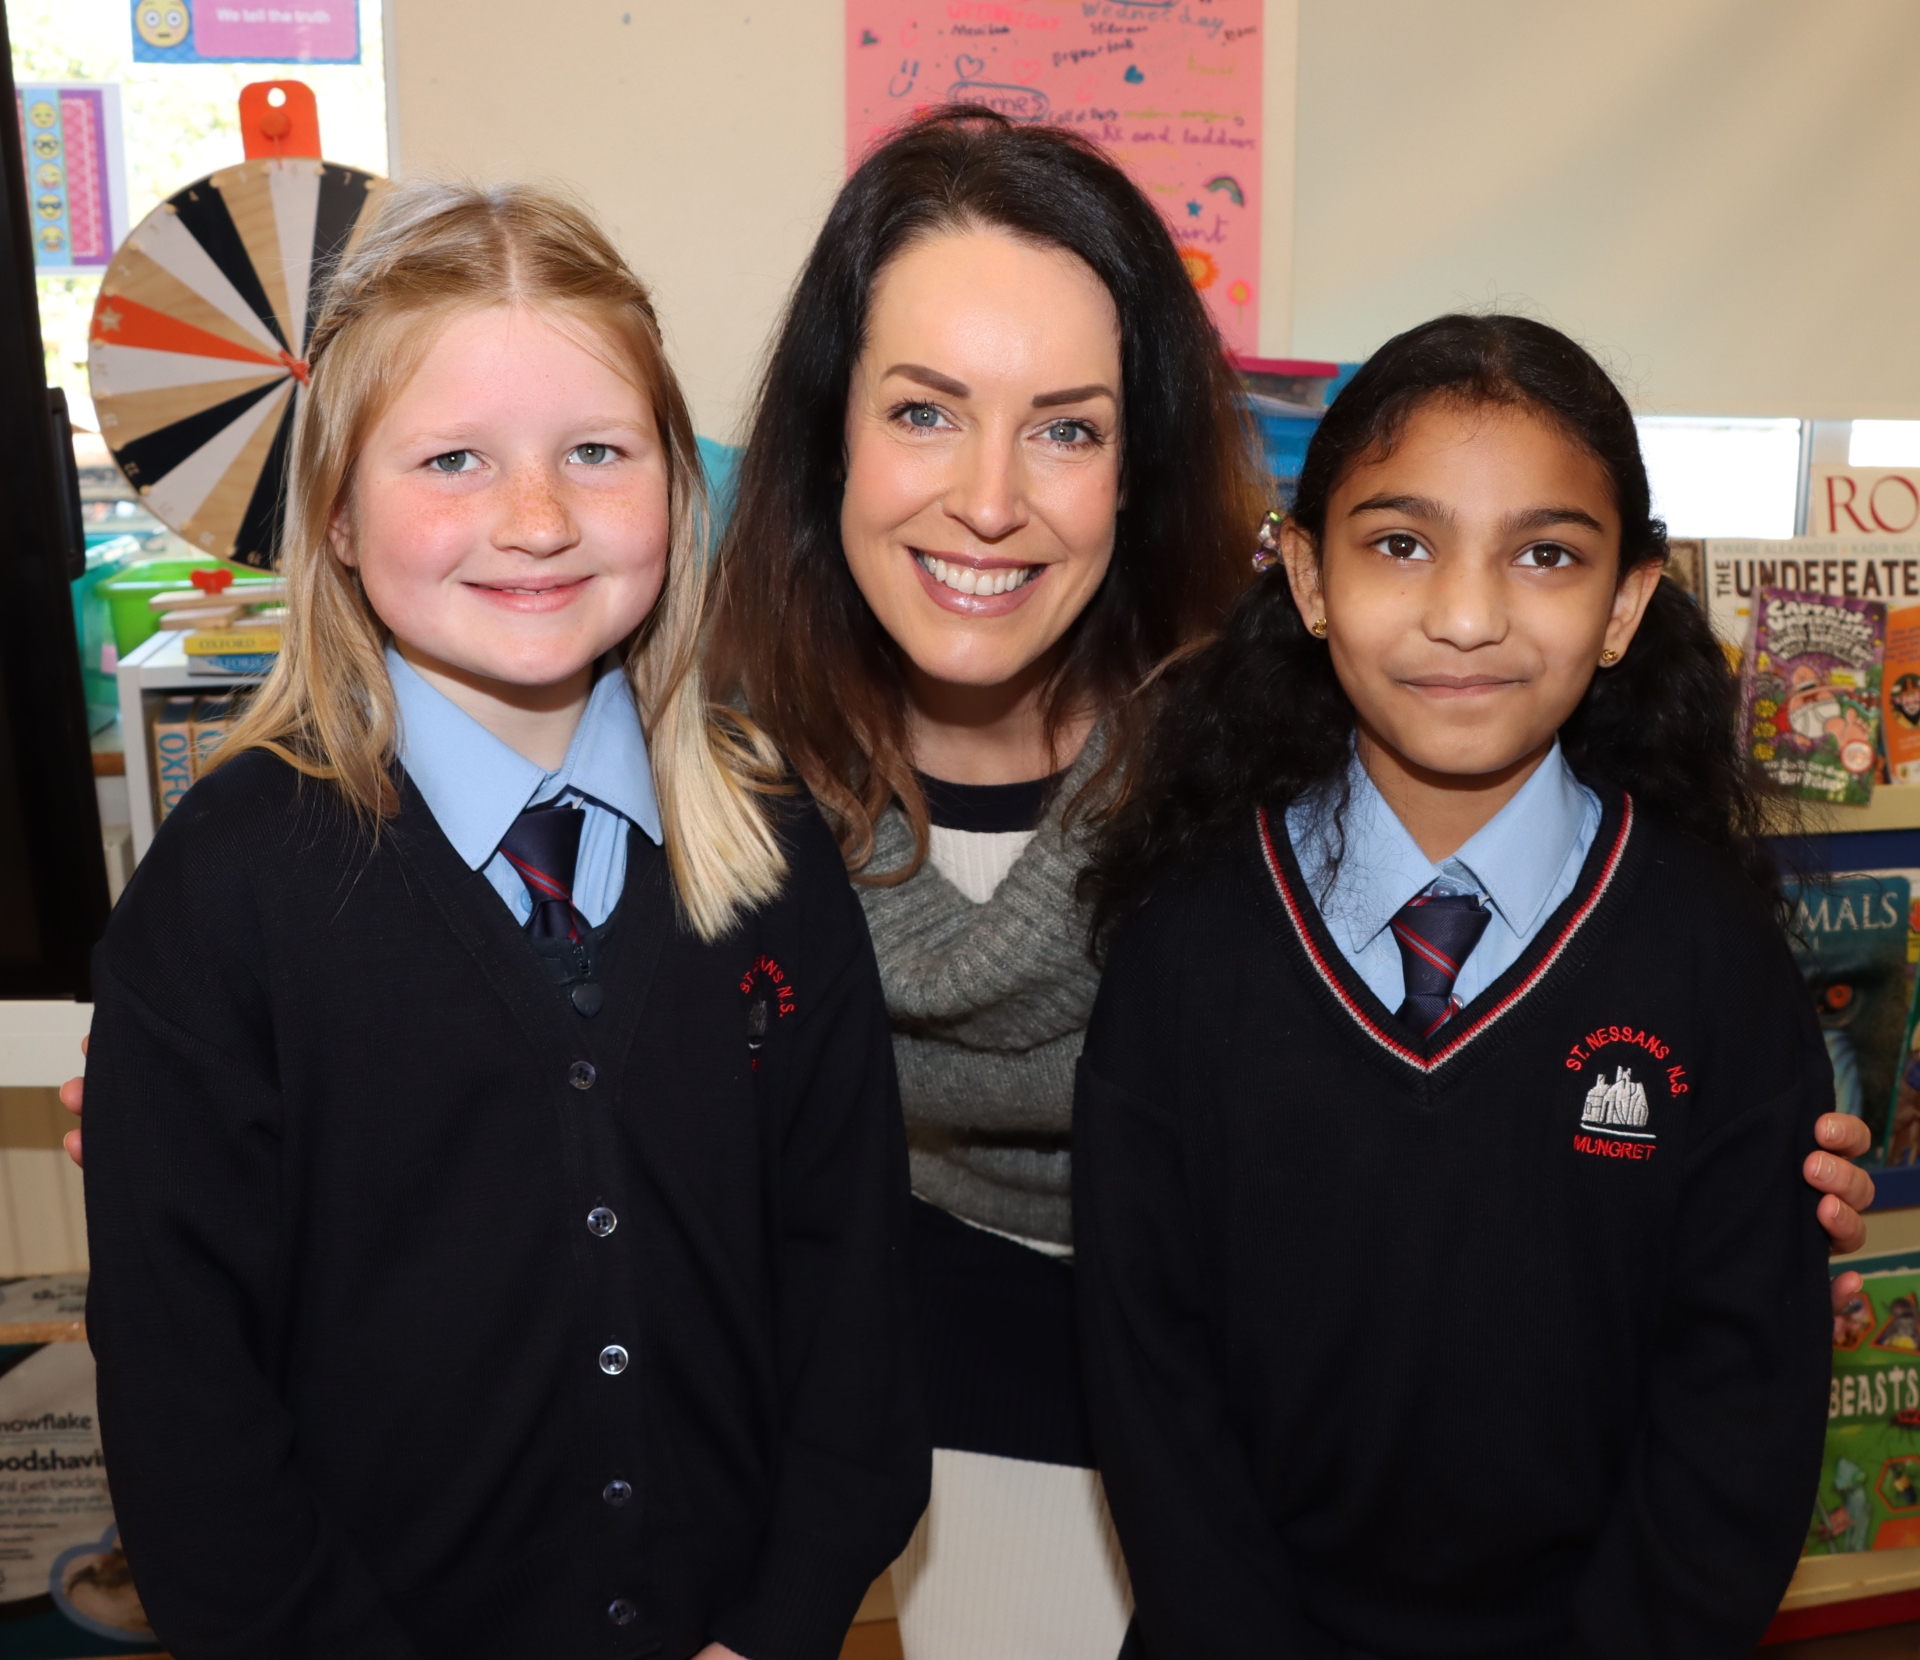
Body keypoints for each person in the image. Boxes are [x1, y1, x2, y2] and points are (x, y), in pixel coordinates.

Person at [705, 110, 1875, 1658]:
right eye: (925, 409)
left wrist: (1771, 1142)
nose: (989, 497)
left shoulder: (1221, 767)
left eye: (1066, 424)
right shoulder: (707, 784)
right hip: (960, 1446)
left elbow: (1700, 1331)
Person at [79, 181, 926, 1660]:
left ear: (675, 482)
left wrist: (774, 1626)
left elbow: (855, 1313)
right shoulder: (224, 896)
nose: (535, 521)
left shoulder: (777, 852)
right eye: (453, 459)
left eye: (597, 453)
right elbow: (184, 1407)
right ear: (336, 513)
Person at [1074, 314, 1836, 1657]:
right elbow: (1151, 1380)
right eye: (1400, 543)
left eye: (1546, 555)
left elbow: (1740, 1403)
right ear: (1308, 580)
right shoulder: (1184, 948)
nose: (1469, 615)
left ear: (1625, 604)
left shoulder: (1712, 956)